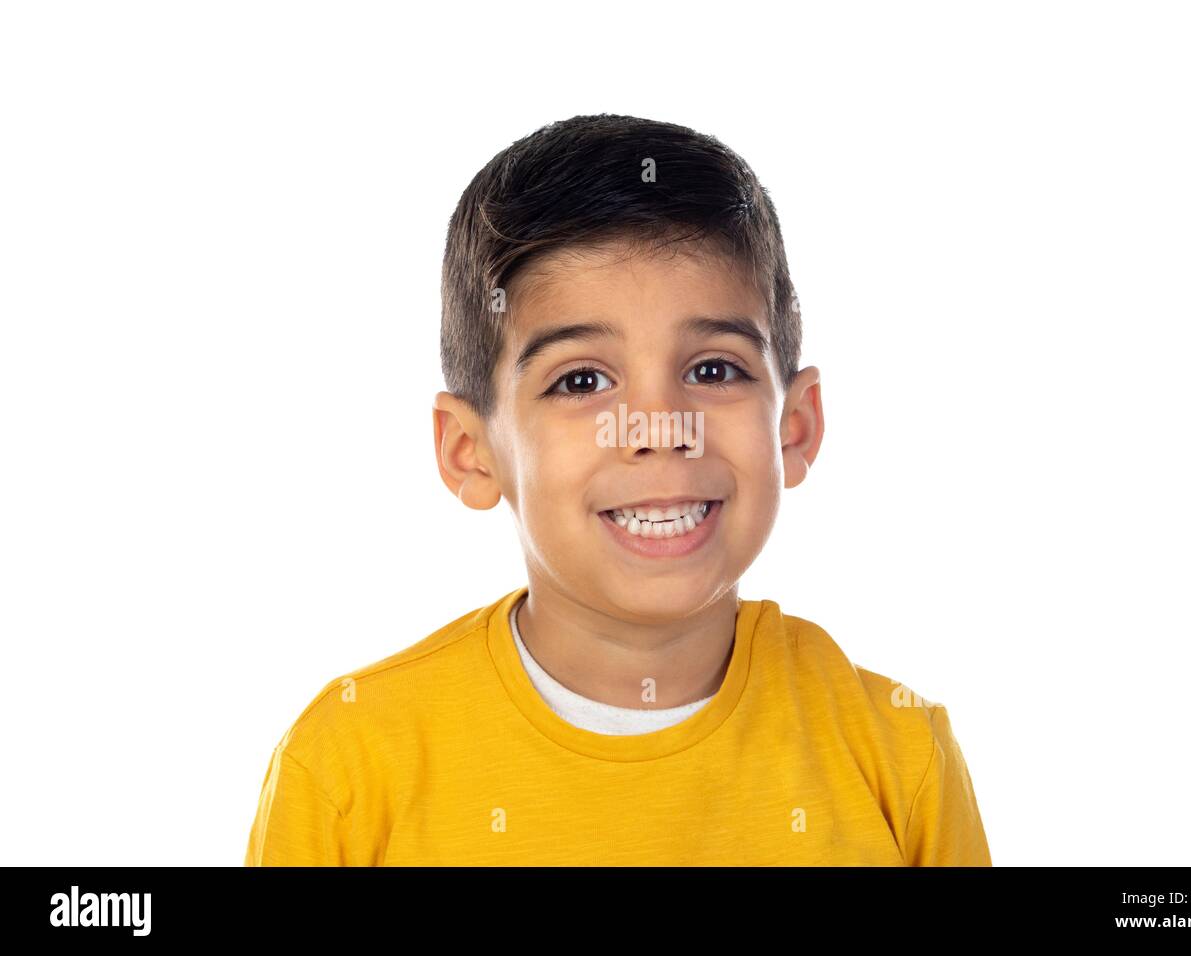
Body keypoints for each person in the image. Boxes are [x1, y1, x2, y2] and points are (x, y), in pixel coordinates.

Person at [244, 114, 991, 866]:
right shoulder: (348, 769)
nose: (658, 426)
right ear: (470, 452)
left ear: (794, 427)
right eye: (582, 380)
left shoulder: (900, 758)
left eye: (713, 369)